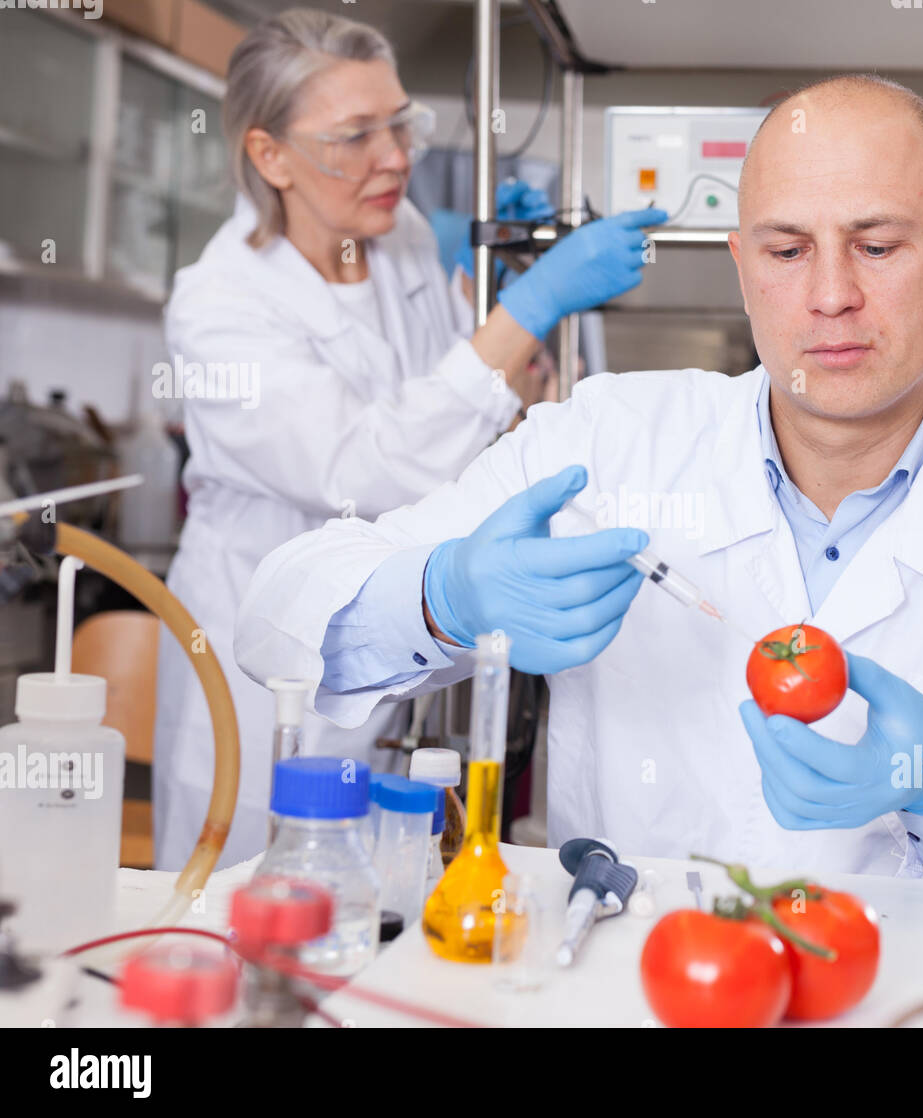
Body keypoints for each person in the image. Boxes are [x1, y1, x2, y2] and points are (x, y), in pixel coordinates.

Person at [235, 74, 923, 904]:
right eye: (786, 251)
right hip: (624, 989)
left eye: (877, 245)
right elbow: (275, 620)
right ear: (743, 270)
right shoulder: (606, 441)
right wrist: (444, 595)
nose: (828, 297)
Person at [153, 8, 664, 869]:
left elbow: (449, 406)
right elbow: (366, 465)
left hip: (398, 616)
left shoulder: (401, 238)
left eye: (401, 124)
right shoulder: (218, 308)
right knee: (246, 887)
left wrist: (492, 284)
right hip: (261, 649)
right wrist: (530, 306)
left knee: (379, 892)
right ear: (268, 155)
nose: (395, 158)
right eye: (355, 136)